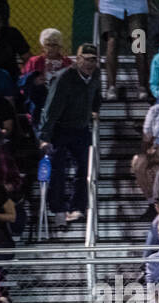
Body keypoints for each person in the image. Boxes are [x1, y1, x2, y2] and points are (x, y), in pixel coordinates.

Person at [37, 44, 100, 227]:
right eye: (86, 59)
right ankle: (58, 209)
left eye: (93, 59)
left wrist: (95, 110)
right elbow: (50, 110)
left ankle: (77, 207)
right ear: (77, 59)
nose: (89, 63)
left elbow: (96, 95)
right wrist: (44, 137)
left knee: (85, 167)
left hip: (81, 128)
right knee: (58, 169)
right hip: (60, 129)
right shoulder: (63, 78)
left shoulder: (95, 75)